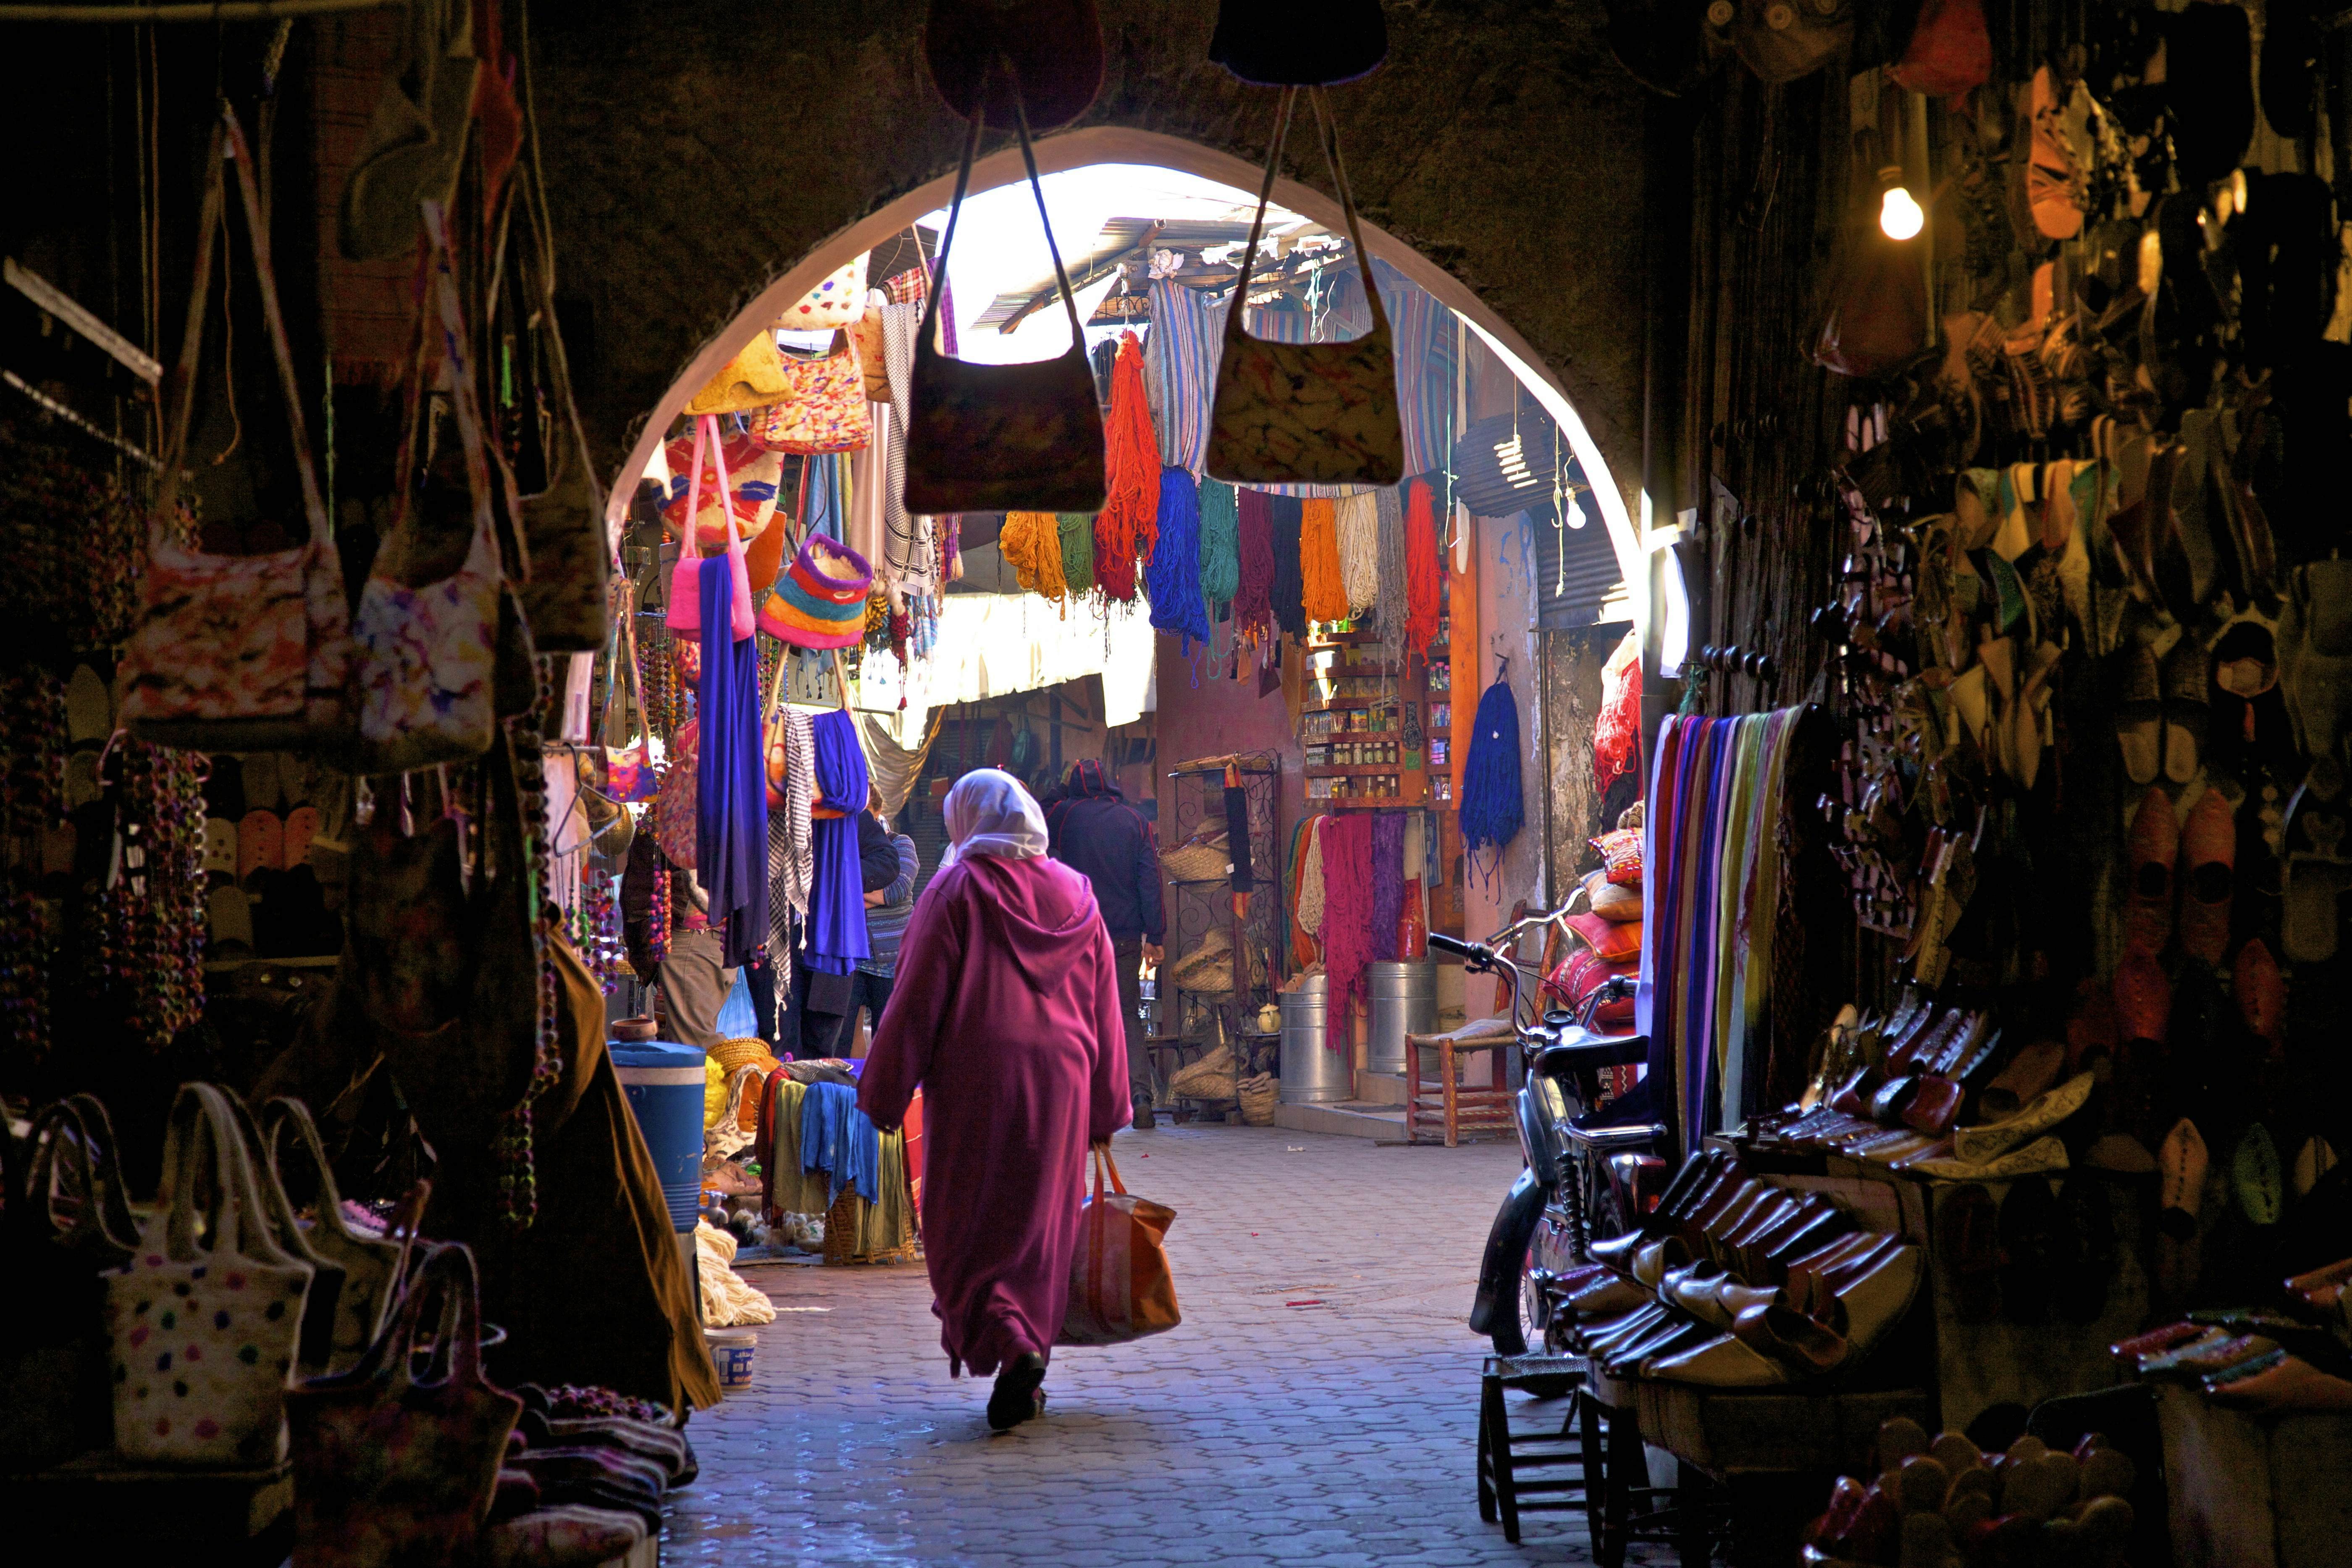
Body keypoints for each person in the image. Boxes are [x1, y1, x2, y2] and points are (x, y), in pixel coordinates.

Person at [858, 770, 1130, 1431]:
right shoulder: (1078, 893)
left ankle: (1009, 1338)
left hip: (980, 1079)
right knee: (1040, 1223)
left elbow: (917, 994)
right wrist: (1107, 1105)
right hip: (1063, 1083)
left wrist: (885, 1090)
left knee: (970, 1216)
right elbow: (1105, 1004)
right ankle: (1026, 1351)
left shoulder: (955, 889)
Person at [1044, 759, 1165, 1127]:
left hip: (1078, 934)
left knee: (1078, 1015)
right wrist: (1155, 935)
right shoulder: (1135, 821)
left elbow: (1040, 828)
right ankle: (1140, 1095)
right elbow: (1150, 881)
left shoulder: (1065, 815)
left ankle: (1083, 1101)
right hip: (1125, 938)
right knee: (1127, 1013)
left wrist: (1063, 791)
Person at [824, 786, 919, 1056]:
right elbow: (833, 889)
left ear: (877, 814)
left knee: (888, 1036)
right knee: (842, 1036)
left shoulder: (900, 843)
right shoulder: (843, 848)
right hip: (853, 957)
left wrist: (850, 891)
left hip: (891, 957)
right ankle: (851, 1089)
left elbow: (898, 888)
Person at [620, 829, 735, 1048]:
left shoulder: (700, 811)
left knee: (691, 1045)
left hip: (691, 936)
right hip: (686, 937)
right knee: (684, 1042)